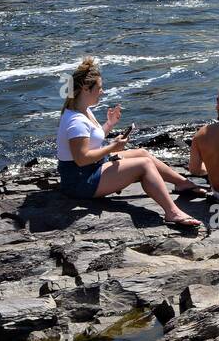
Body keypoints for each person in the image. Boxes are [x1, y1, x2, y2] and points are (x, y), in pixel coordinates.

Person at [56, 57, 203, 229]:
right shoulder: (76, 121)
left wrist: (109, 124)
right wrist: (112, 147)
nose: (102, 92)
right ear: (85, 89)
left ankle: (182, 183)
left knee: (142, 153)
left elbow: (90, 142)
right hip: (80, 181)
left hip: (90, 169)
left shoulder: (84, 110)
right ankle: (172, 212)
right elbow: (81, 159)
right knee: (144, 165)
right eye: (100, 88)